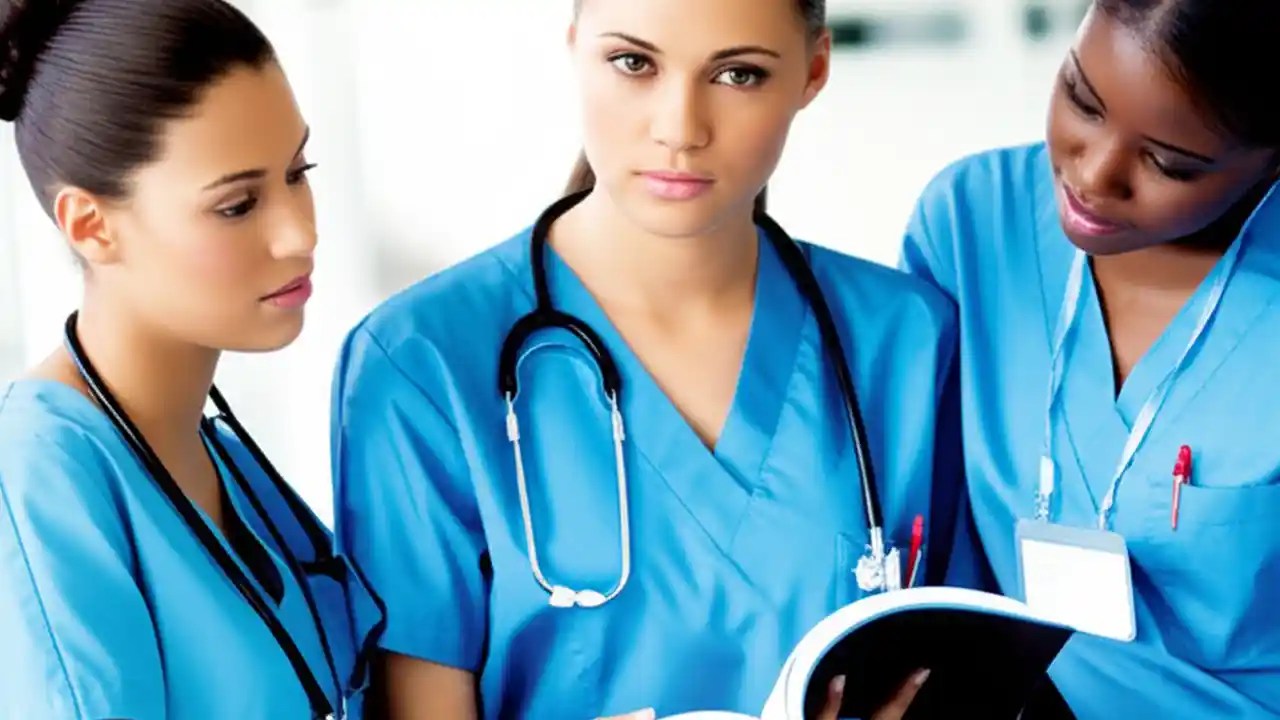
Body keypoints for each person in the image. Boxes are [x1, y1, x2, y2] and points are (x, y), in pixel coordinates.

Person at [331, 0, 972, 717]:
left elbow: (953, 670)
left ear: (814, 70)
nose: (680, 129)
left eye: (738, 74)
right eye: (633, 63)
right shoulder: (421, 364)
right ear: (575, 49)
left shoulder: (908, 340)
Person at [0, 1, 382, 718]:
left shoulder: (225, 461)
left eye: (299, 172)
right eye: (238, 205)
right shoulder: (37, 476)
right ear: (92, 226)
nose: (300, 233)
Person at [899, 1, 1280, 717]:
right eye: (1081, 98)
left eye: (1169, 163)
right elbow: (928, 524)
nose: (1096, 175)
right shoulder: (972, 222)